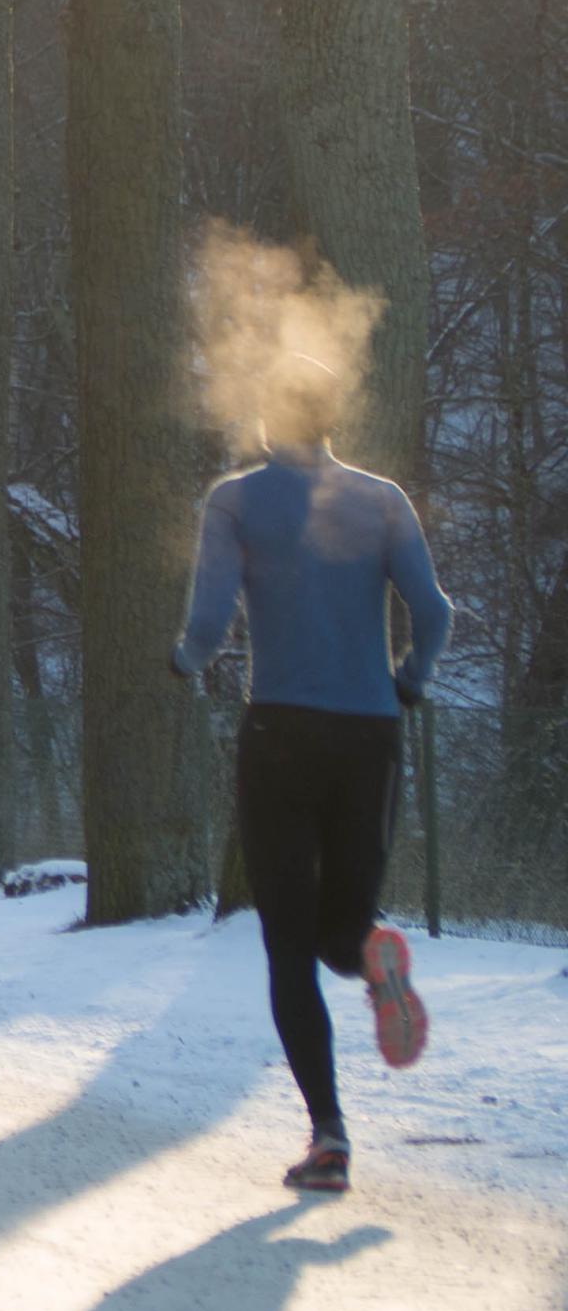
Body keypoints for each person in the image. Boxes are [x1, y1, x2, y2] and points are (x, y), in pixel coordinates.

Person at [173, 362, 453, 1197]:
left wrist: (182, 661)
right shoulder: (382, 499)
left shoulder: (235, 500)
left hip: (282, 733)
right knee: (342, 931)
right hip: (370, 734)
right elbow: (435, 613)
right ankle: (373, 960)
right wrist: (409, 680)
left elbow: (209, 621)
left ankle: (329, 1138)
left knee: (289, 948)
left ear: (265, 417)